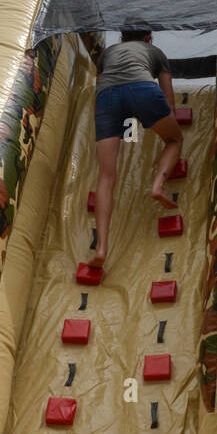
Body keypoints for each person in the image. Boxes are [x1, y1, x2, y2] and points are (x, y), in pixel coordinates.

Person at [90, 29, 184, 268]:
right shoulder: (155, 52)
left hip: (107, 97)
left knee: (106, 177)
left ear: (122, 38)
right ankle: (157, 185)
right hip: (142, 89)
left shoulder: (108, 53)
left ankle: (101, 248)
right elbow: (169, 101)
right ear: (147, 37)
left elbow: (100, 84)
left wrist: (124, 122)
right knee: (174, 140)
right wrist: (163, 120)